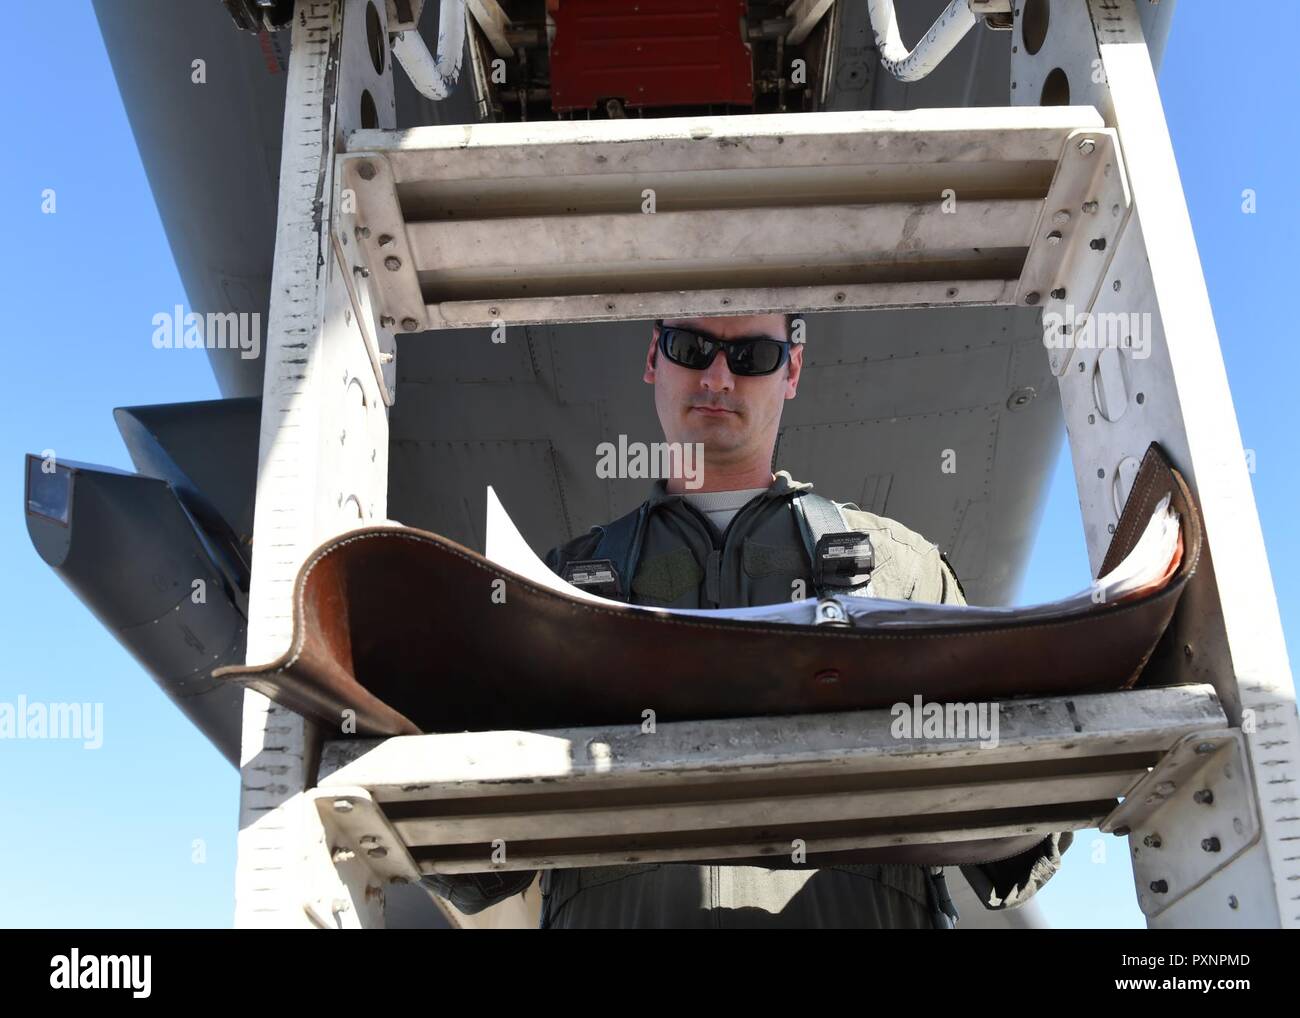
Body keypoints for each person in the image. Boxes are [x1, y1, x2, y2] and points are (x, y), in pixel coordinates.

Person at [425, 313, 1071, 928]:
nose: (717, 378)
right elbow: (479, 865)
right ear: (655, 358)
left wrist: (1058, 716)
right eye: (691, 348)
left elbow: (1013, 848)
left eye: (752, 356)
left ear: (791, 371)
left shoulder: (902, 572)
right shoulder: (557, 588)